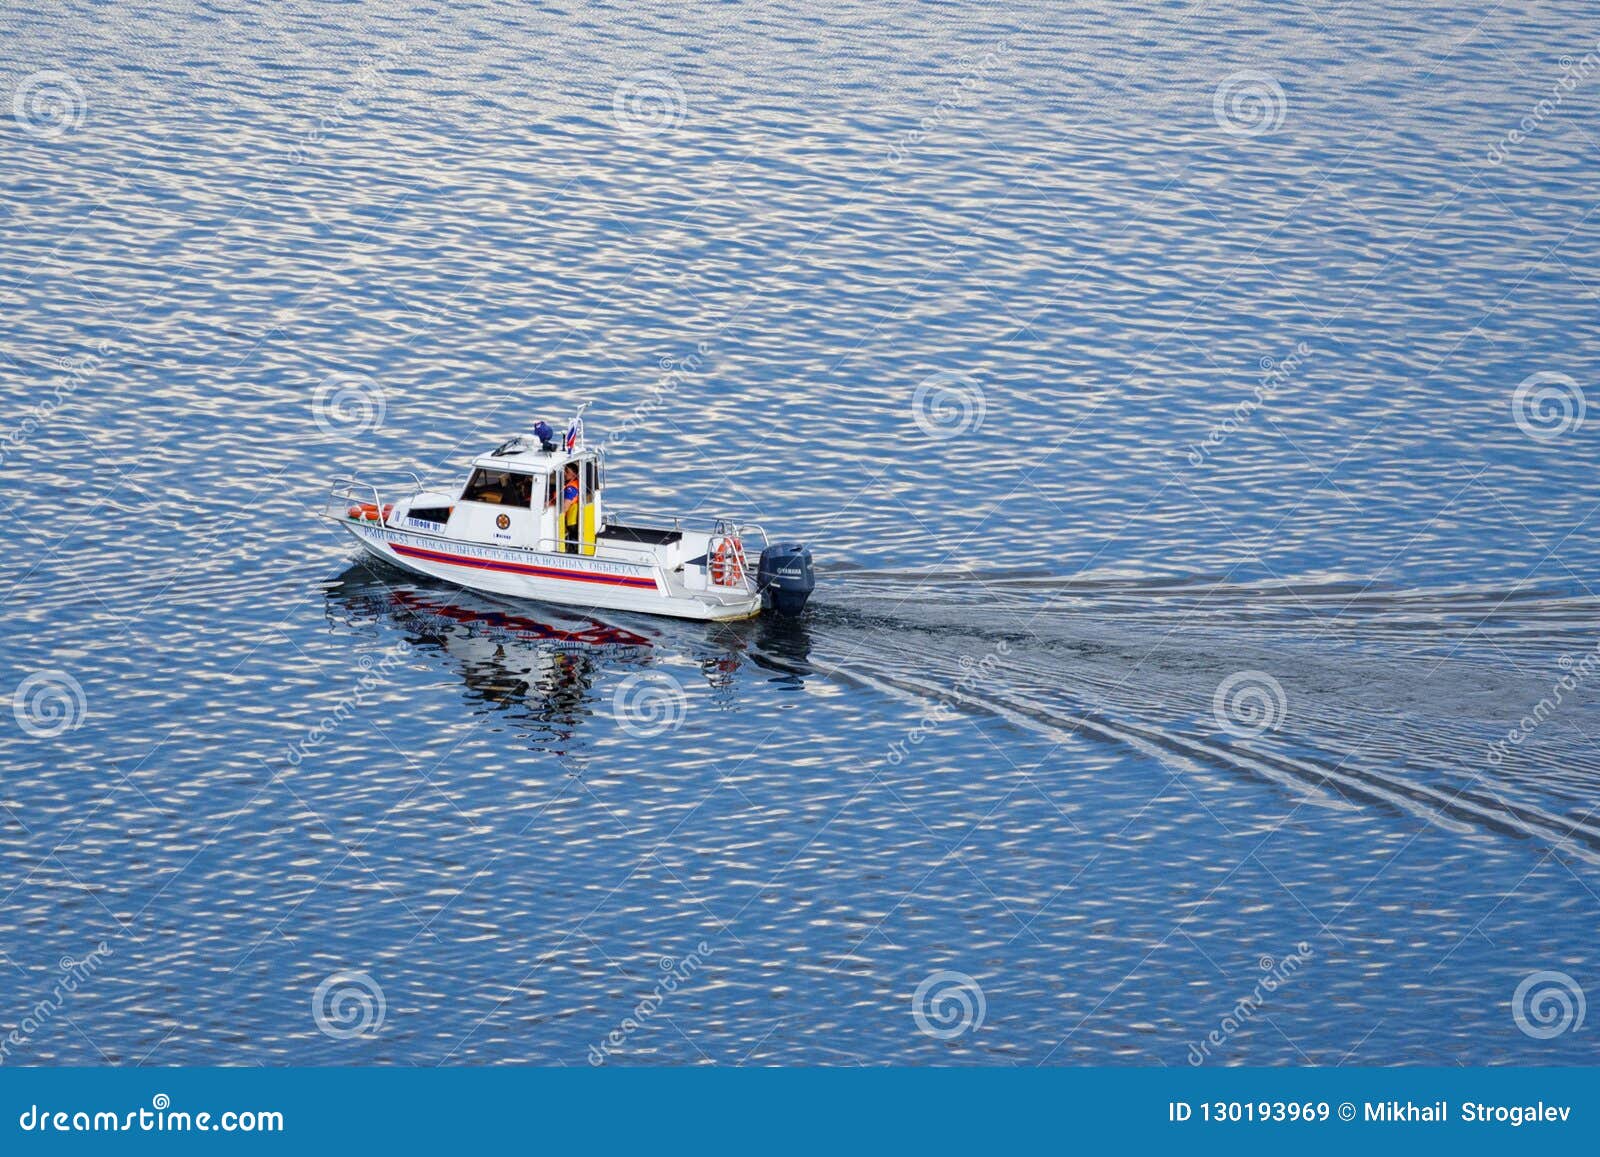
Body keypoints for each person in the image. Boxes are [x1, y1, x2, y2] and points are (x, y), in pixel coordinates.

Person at [561, 464, 580, 551]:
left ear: (574, 474)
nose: (564, 473)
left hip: (563, 520)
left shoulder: (570, 489)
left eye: (567, 472)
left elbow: (565, 507)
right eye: (564, 471)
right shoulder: (574, 484)